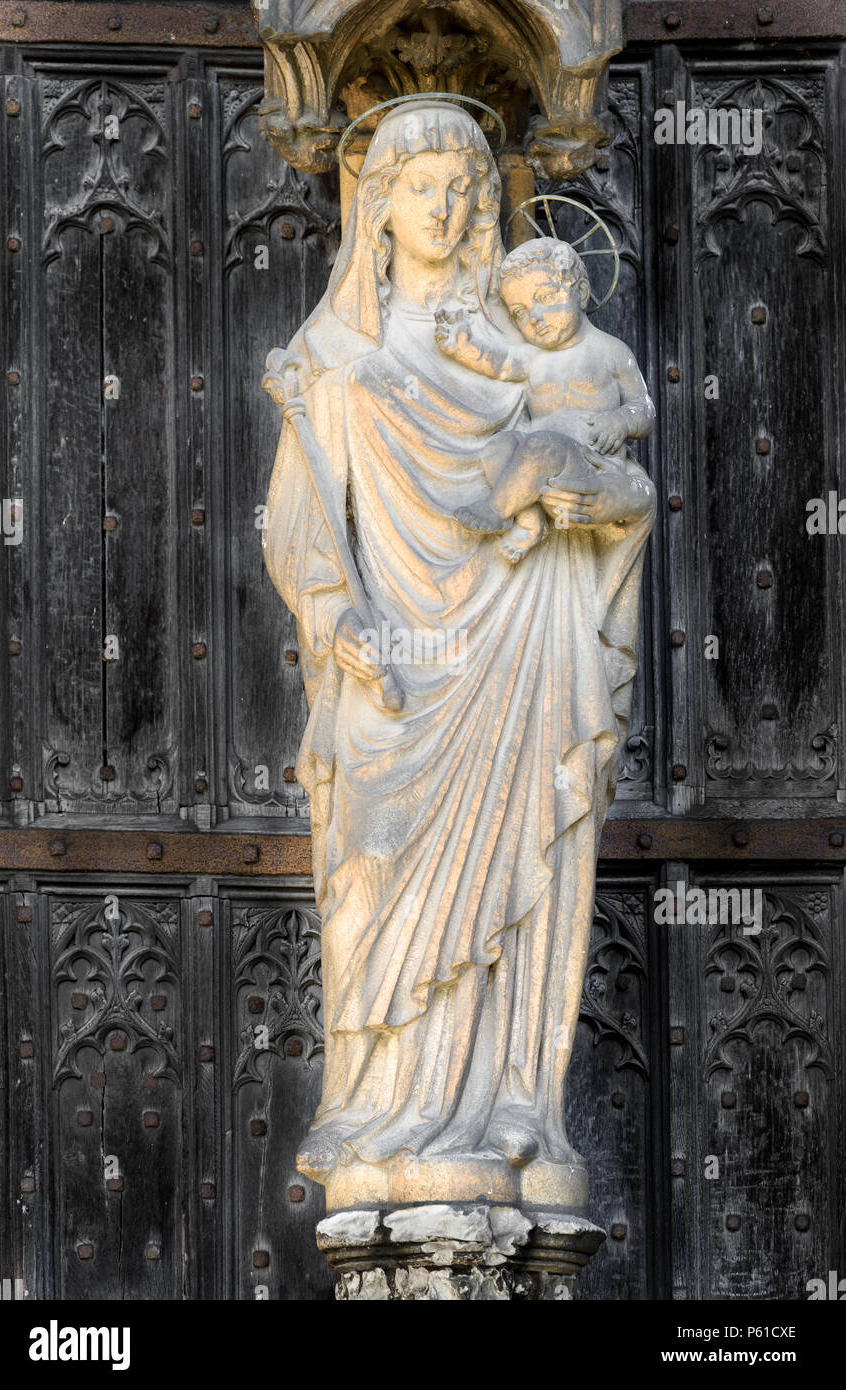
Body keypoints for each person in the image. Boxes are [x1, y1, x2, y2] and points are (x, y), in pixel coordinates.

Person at [262, 100, 656, 1209]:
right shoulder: (333, 356)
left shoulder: (532, 348)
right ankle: (373, 1107)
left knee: (525, 862)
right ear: (378, 205)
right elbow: (299, 526)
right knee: (370, 866)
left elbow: (619, 482)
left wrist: (595, 503)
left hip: (523, 642)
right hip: (391, 669)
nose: (441, 206)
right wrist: (336, 620)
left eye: (462, 187)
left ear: (484, 205)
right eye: (418, 185)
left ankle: (512, 1107)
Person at [433, 237, 656, 563]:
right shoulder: (534, 358)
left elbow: (645, 408)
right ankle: (530, 520)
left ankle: (496, 509)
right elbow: (499, 364)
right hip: (540, 461)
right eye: (519, 312)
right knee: (498, 448)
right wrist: (463, 348)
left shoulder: (610, 351)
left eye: (545, 297)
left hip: (588, 464)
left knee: (542, 445)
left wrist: (621, 421)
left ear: (580, 291)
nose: (534, 317)